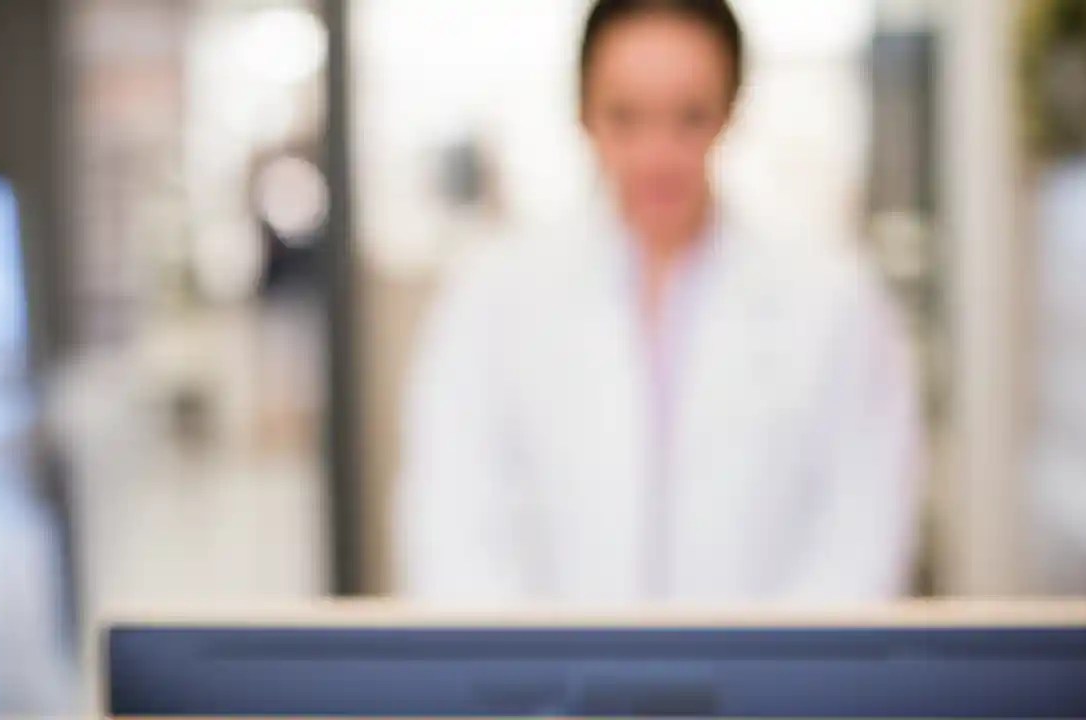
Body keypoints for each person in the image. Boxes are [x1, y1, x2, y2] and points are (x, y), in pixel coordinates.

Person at [395, 0, 922, 603]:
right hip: (543, 690)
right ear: (583, 114)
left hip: (770, 690)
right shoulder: (491, 298)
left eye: (689, 116)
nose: (657, 154)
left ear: (731, 110)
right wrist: (532, 689)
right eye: (626, 117)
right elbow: (453, 525)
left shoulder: (834, 303)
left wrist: (773, 687)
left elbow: (862, 533)